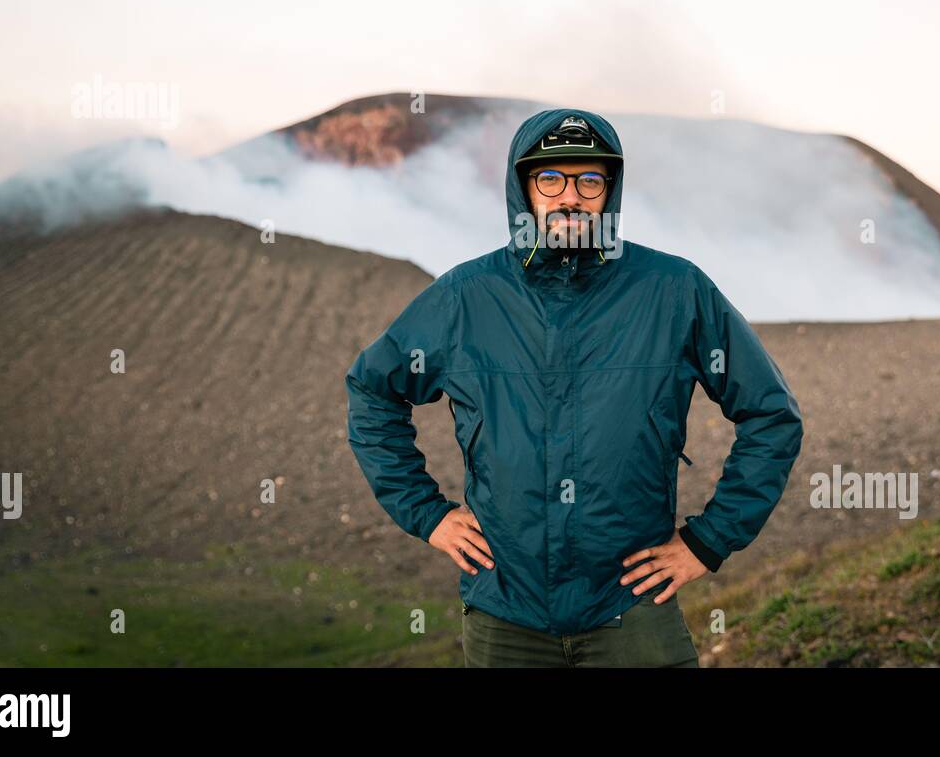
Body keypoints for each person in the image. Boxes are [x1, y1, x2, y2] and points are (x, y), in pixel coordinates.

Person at [345, 107, 804, 667]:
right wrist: (427, 513)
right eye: (551, 178)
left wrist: (707, 542)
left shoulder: (673, 289)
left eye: (590, 179)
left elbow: (771, 415)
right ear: (523, 188)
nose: (571, 196)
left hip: (631, 609)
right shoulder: (466, 297)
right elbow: (373, 391)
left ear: (609, 190)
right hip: (505, 616)